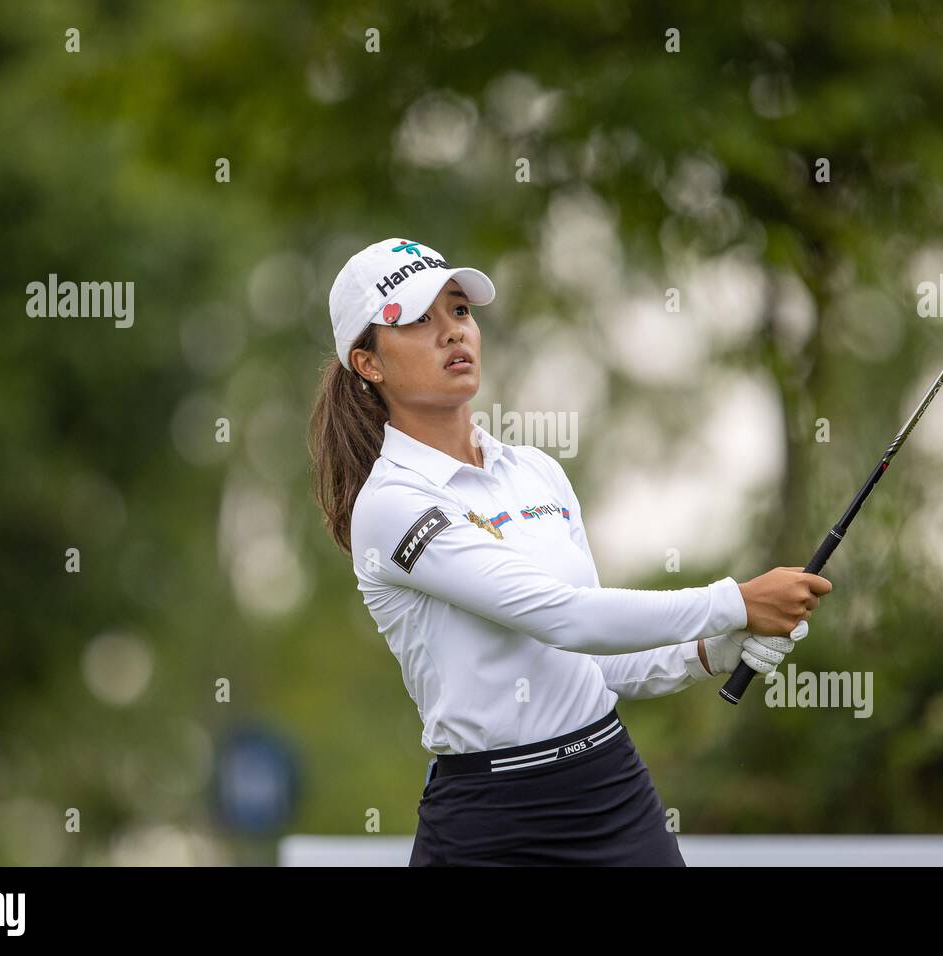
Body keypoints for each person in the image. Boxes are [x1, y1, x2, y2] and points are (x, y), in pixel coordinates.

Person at [308, 237, 832, 866]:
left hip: (611, 789)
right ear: (368, 363)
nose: (451, 333)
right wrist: (735, 603)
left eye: (459, 312)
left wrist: (709, 651)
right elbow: (561, 614)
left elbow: (586, 656)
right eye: (419, 320)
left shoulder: (536, 472)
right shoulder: (390, 504)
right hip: (490, 823)